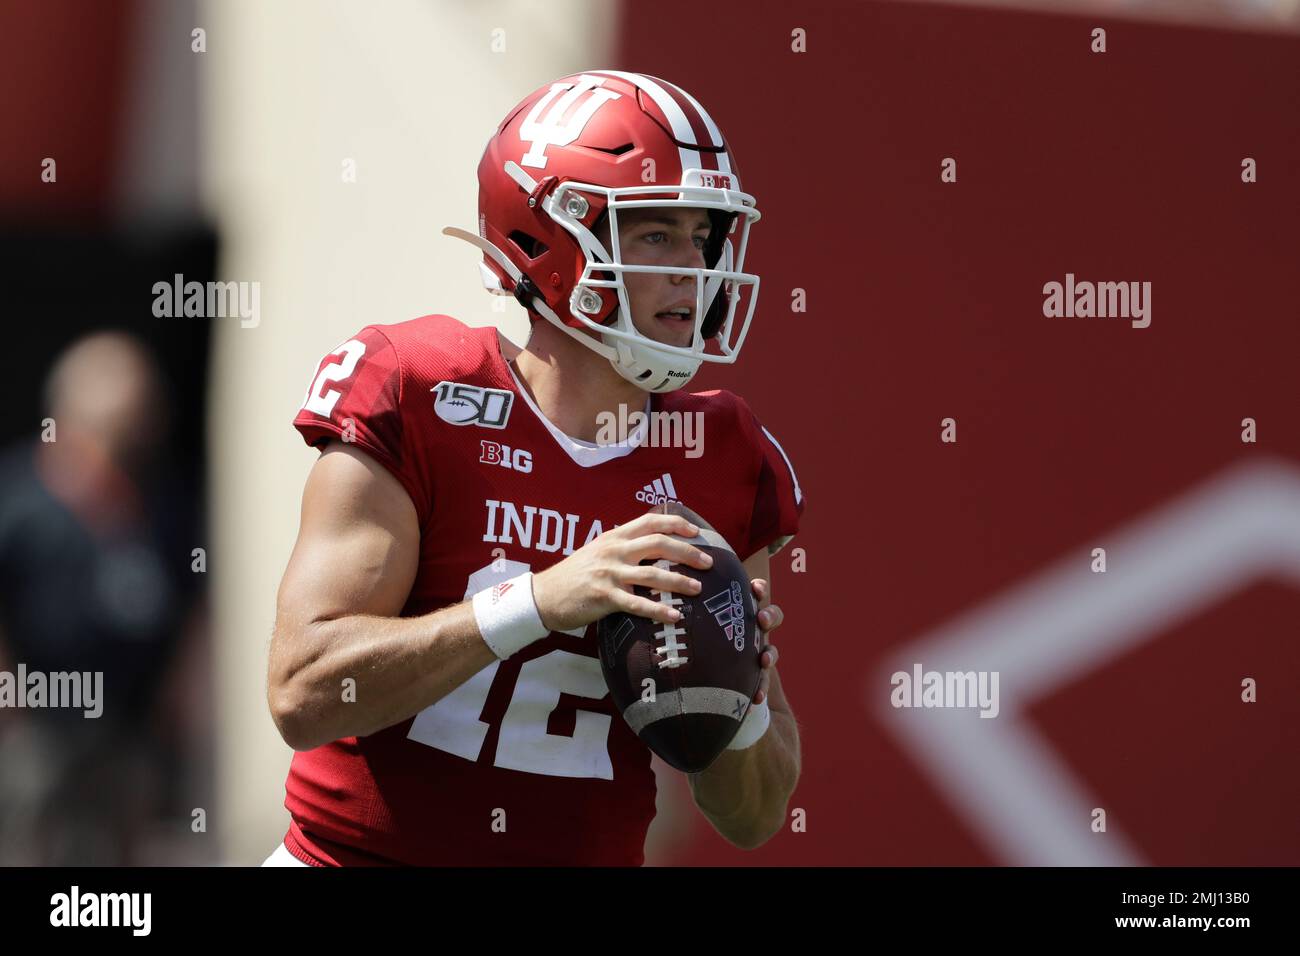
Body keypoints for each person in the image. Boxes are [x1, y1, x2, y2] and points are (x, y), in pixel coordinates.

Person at [264, 71, 804, 866]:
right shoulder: (418, 390)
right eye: (656, 234)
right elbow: (303, 693)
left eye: (704, 236)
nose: (692, 267)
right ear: (547, 240)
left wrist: (737, 695)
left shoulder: (720, 451)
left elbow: (754, 816)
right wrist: (540, 603)